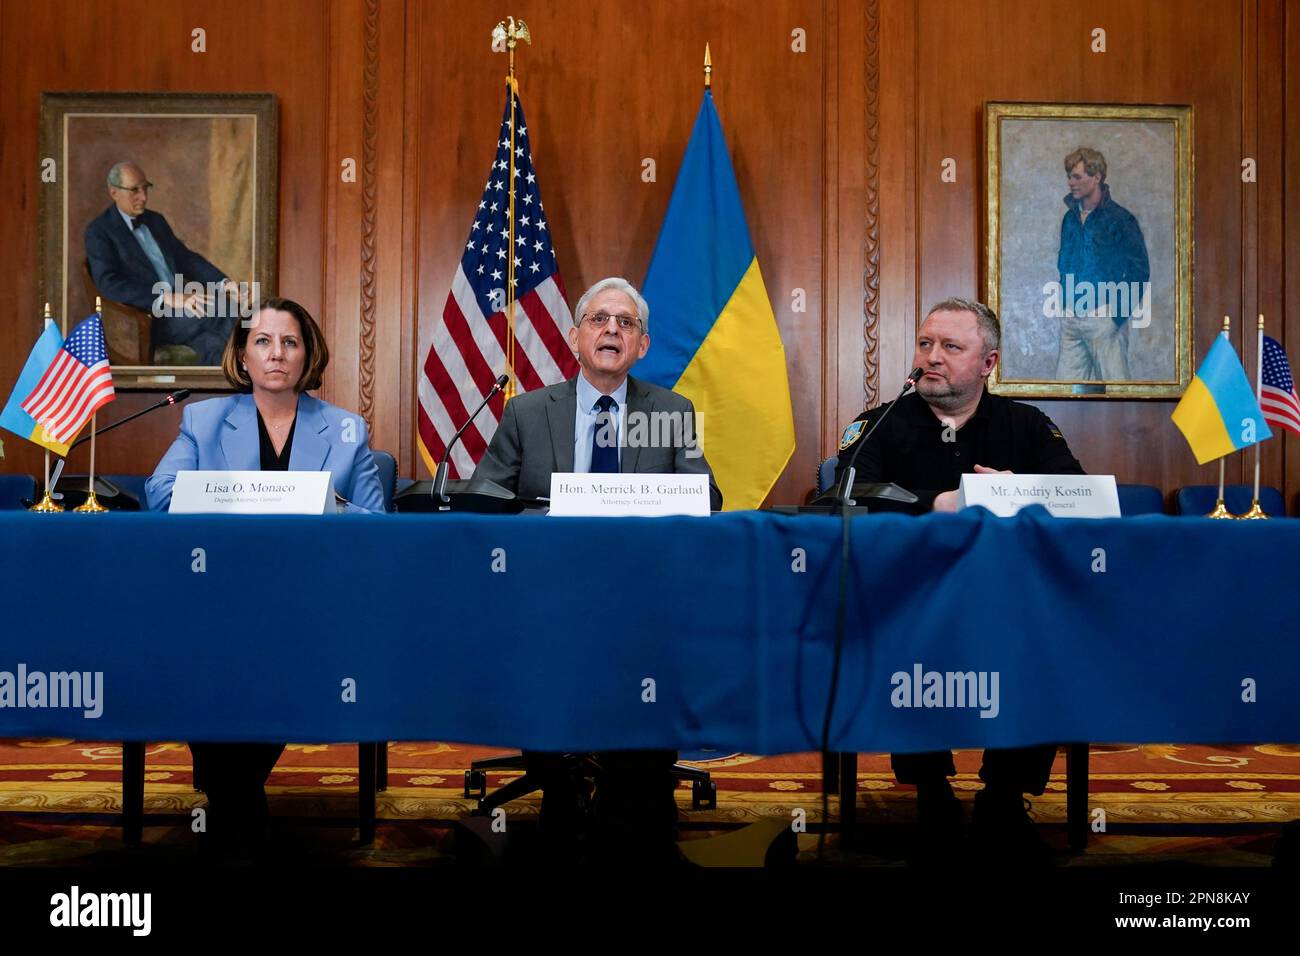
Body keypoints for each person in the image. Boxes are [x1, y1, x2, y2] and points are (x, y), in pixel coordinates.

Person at [473, 276, 722, 864]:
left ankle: (633, 796)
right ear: (574, 337)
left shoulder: (669, 411)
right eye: (599, 319)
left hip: (642, 593)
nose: (611, 329)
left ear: (641, 346)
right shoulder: (529, 413)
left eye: (626, 323)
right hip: (548, 591)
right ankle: (564, 788)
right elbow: (484, 495)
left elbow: (705, 498)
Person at [836, 297, 1084, 862]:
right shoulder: (880, 424)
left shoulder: (1028, 426)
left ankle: (1003, 796)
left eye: (951, 347)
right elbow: (844, 499)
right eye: (926, 344)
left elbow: (1079, 499)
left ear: (988, 363)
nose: (932, 358)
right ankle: (930, 792)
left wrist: (1018, 491)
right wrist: (934, 504)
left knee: (1049, 642)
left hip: (1009, 602)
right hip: (909, 598)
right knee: (902, 636)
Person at [146, 297, 385, 856]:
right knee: (212, 642)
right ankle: (238, 796)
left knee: (270, 646)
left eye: (290, 342)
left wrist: (329, 503)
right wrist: (233, 495)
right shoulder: (203, 421)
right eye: (262, 341)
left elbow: (378, 529)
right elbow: (158, 497)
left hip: (312, 605)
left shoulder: (347, 430)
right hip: (221, 596)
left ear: (308, 355)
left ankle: (230, 795)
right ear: (243, 356)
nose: (276, 353)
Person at [85, 161, 241, 365]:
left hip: (182, 308)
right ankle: (250, 376)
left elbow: (186, 259)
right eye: (134, 190)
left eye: (145, 188)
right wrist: (166, 298)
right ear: (114, 192)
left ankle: (228, 391)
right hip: (146, 319)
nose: (143, 197)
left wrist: (223, 282)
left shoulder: (155, 221)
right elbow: (109, 284)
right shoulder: (99, 231)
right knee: (224, 308)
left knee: (211, 344)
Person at [1055, 147, 1150, 382]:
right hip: (1071, 318)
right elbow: (1064, 263)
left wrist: (1115, 316)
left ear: (1096, 177)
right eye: (1069, 176)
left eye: (1077, 176)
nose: (1071, 182)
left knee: (1116, 391)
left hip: (1104, 317)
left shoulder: (1121, 219)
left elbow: (1139, 271)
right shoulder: (1069, 219)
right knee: (1063, 393)